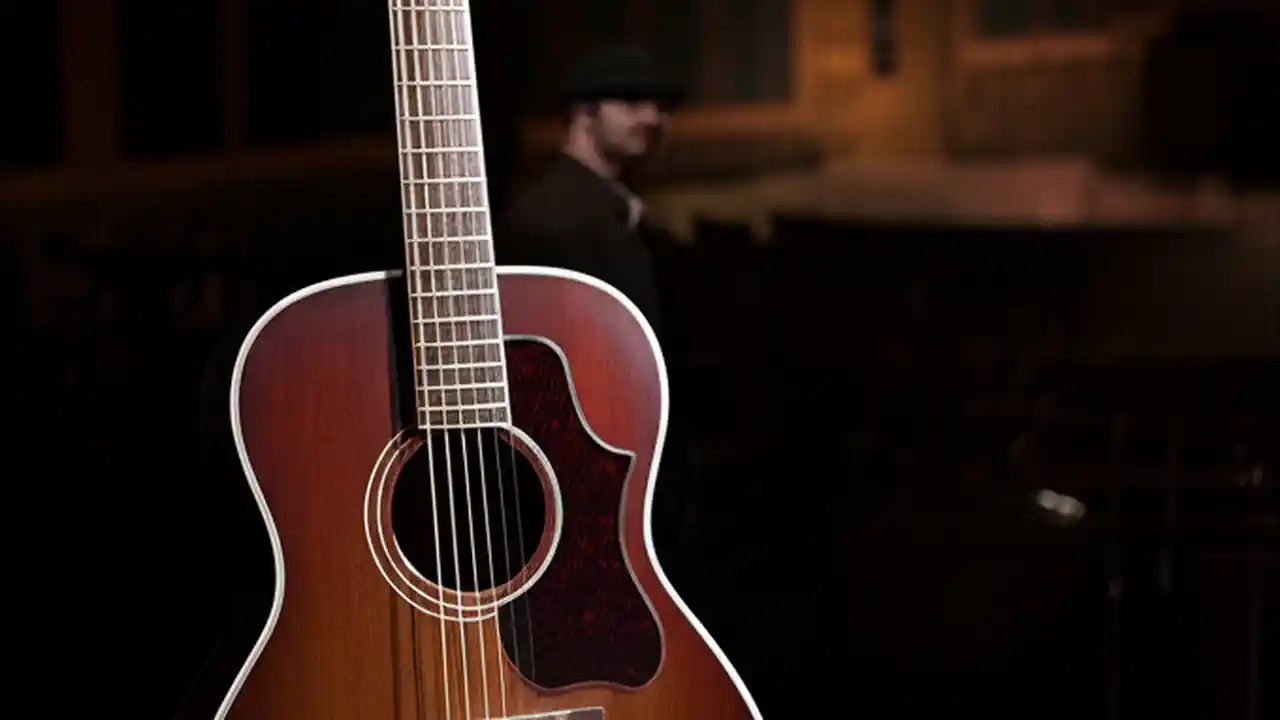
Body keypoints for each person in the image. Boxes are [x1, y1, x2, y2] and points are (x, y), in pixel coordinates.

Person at [493, 44, 685, 339]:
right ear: (584, 111)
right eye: (631, 101)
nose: (652, 117)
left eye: (661, 106)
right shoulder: (551, 215)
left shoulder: (614, 208)